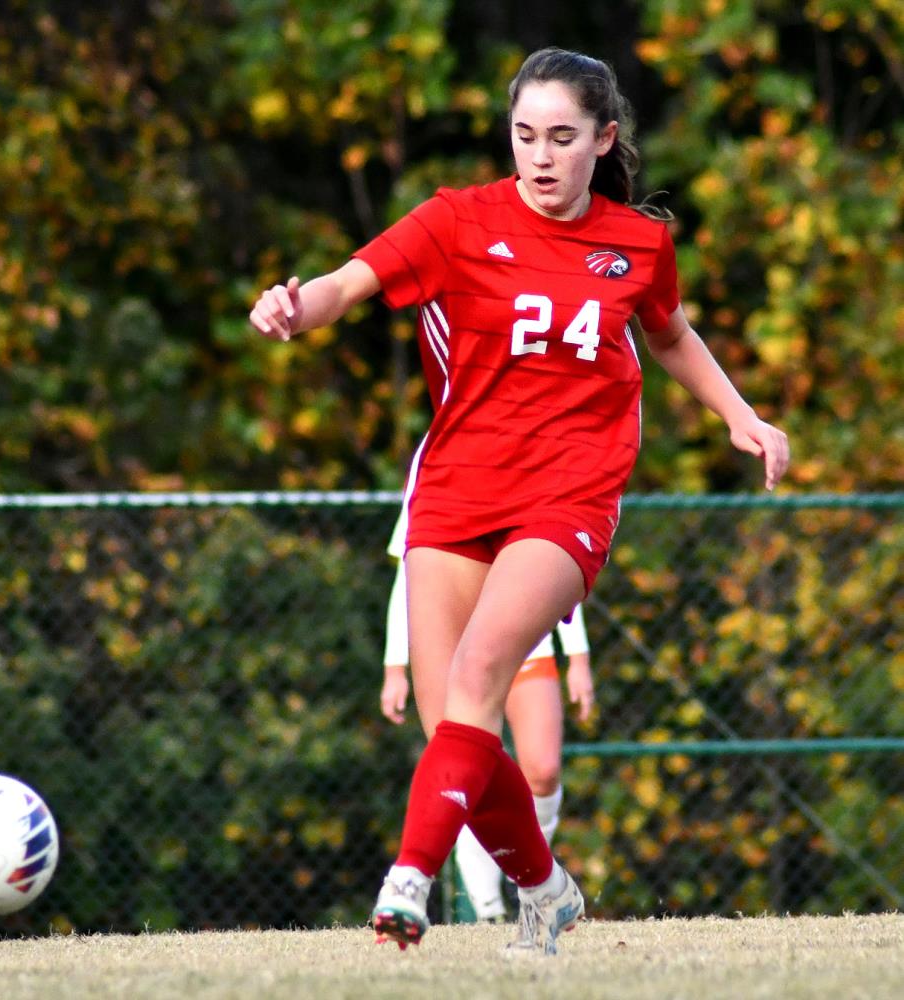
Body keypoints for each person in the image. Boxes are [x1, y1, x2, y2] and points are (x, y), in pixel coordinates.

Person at [249, 46, 789, 956]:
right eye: (525, 134)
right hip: (457, 486)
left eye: (562, 138)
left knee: (478, 677)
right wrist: (294, 310)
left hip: (570, 491)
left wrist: (742, 415)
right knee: (454, 733)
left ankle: (406, 883)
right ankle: (547, 891)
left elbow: (669, 335)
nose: (540, 156)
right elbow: (346, 284)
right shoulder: (456, 220)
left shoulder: (638, 243)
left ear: (603, 139)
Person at [380, 504, 594, 922]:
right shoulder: (434, 474)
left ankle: (536, 879)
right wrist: (394, 665)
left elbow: (563, 559)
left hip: (528, 644)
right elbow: (409, 578)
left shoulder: (538, 471)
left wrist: (578, 656)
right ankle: (489, 904)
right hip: (457, 644)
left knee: (543, 768)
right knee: (465, 765)